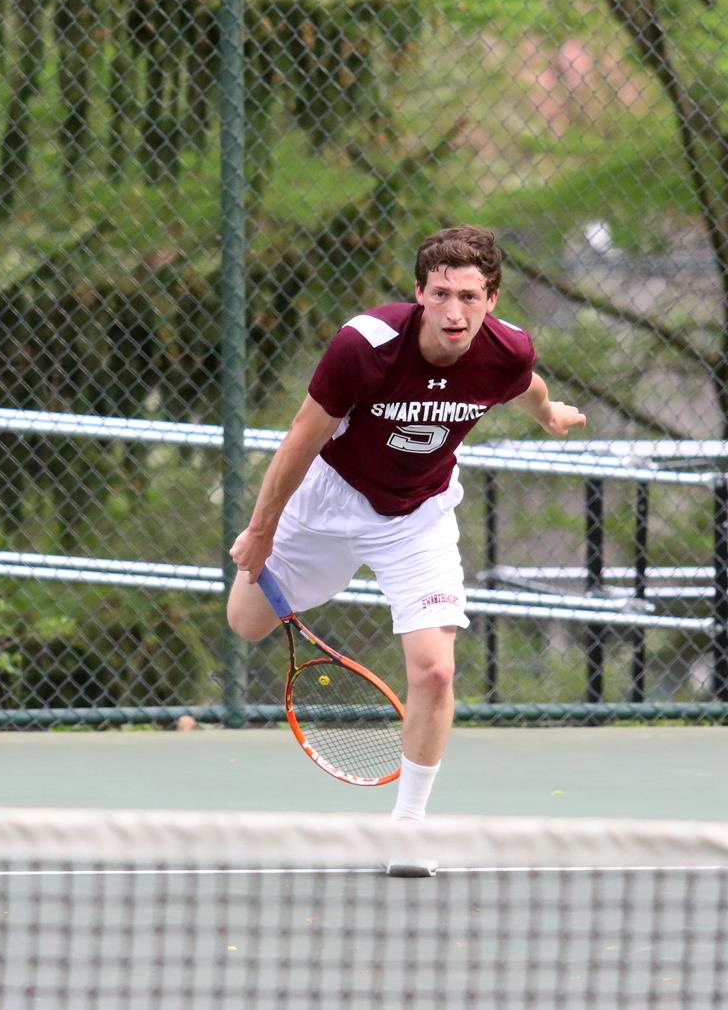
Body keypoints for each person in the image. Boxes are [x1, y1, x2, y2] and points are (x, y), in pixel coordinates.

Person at [226, 225, 585, 876]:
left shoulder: (507, 353)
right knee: (246, 622)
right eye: (441, 294)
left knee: (435, 672)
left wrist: (550, 414)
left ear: (492, 300)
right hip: (329, 503)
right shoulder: (362, 349)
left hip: (418, 517)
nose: (455, 311)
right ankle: (275, 572)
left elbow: (526, 385)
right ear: (419, 293)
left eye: (470, 297)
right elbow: (300, 442)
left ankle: (408, 828)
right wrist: (262, 530)